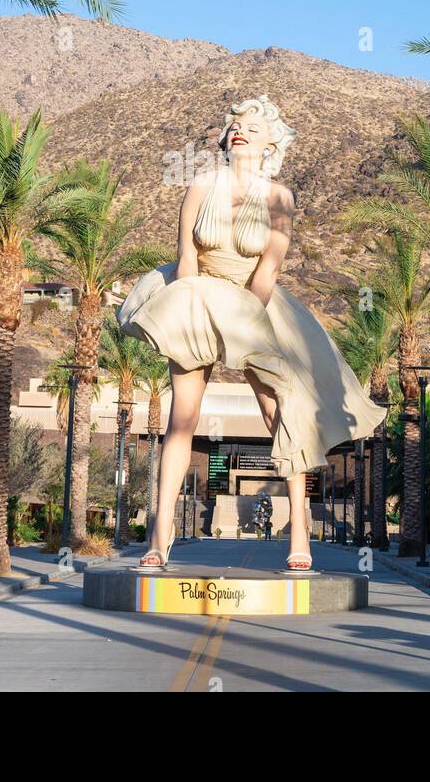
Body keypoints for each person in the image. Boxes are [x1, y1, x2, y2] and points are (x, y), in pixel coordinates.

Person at [117, 95, 386, 573]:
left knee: (280, 413)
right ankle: (160, 537)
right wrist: (191, 308)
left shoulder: (280, 198)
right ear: (225, 138)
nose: (241, 129)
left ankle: (299, 531)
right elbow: (186, 258)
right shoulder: (201, 184)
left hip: (255, 303)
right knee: (182, 418)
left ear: (271, 144)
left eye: (254, 126)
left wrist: (244, 323)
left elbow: (268, 269)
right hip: (198, 294)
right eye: (236, 123)